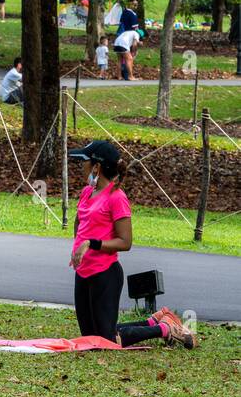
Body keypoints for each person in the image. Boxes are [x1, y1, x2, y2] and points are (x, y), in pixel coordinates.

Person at [66, 141, 196, 348]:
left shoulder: (116, 198)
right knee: (90, 339)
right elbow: (79, 220)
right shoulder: (86, 192)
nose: (81, 166)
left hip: (105, 273)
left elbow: (125, 242)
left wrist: (90, 244)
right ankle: (154, 320)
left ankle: (165, 328)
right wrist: (78, 247)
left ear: (96, 167)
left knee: (105, 340)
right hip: (83, 272)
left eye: (85, 162)